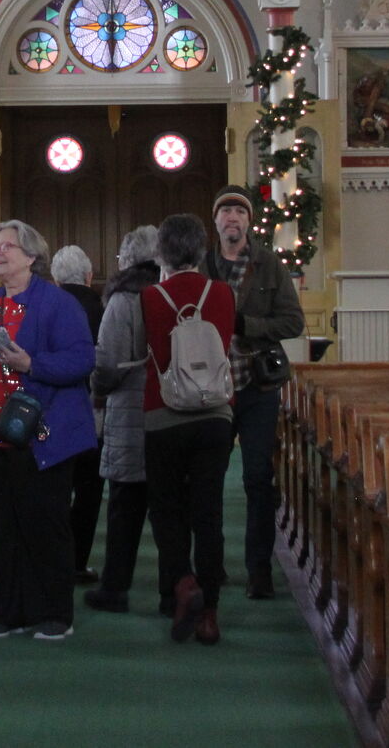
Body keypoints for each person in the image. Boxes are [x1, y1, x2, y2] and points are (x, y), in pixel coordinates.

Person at [0, 220, 96, 641]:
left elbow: (83, 359)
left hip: (42, 434)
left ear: (32, 256)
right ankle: (10, 609)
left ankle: (53, 612)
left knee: (44, 525)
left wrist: (34, 365)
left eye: (7, 246)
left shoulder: (59, 304)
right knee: (2, 527)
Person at [200, 184, 305, 601]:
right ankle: (211, 563)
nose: (232, 219)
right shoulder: (203, 265)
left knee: (258, 478)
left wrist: (248, 325)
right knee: (207, 480)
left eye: (239, 213)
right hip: (211, 388)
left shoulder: (268, 265)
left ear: (248, 221)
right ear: (216, 221)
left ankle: (258, 568)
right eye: (225, 212)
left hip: (258, 385)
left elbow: (292, 322)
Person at [143, 212, 238, 645]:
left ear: (162, 251)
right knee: (209, 511)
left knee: (168, 510)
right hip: (215, 414)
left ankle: (183, 584)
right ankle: (210, 614)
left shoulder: (150, 297)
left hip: (164, 415)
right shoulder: (222, 294)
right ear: (202, 251)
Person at [85, 224, 161, 614]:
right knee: (167, 509)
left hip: (130, 411)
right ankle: (173, 590)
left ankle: (115, 588)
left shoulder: (124, 298)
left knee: (124, 507)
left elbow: (108, 361)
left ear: (128, 259)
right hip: (168, 411)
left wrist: (98, 387)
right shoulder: (169, 292)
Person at [50, 243, 106, 584]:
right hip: (93, 410)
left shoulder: (48, 307)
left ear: (55, 280)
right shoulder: (102, 308)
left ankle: (53, 559)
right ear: (88, 277)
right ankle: (76, 562)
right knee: (88, 490)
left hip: (55, 411)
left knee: (56, 489)